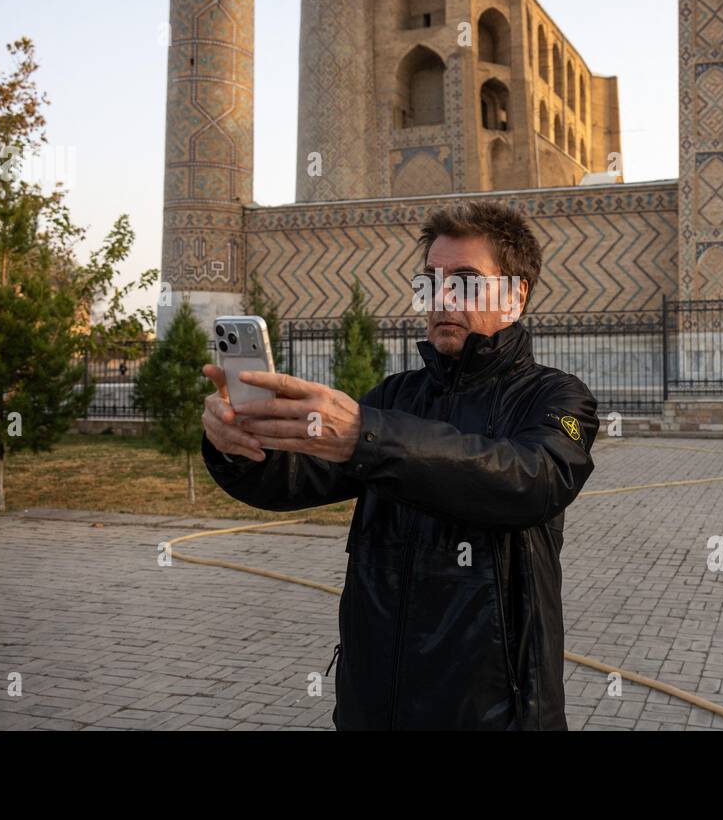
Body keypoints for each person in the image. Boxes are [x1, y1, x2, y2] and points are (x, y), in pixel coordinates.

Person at [200, 201, 599, 729]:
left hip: (494, 710)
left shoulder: (556, 397)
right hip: (373, 706)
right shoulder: (395, 398)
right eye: (430, 280)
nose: (442, 297)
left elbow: (531, 479)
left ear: (515, 296)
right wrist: (235, 443)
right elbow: (295, 479)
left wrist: (366, 436)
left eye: (465, 280)